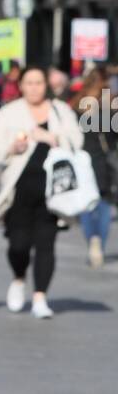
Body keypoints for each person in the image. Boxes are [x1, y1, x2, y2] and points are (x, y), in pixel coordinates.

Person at [0, 64, 83, 318]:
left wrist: (52, 138)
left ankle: (40, 297)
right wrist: (11, 148)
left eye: (39, 82)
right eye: (29, 83)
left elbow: (77, 140)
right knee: (19, 245)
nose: (34, 87)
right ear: (21, 86)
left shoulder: (61, 111)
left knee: (46, 244)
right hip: (18, 191)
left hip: (53, 192)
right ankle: (18, 278)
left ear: (46, 85)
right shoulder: (8, 113)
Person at [72, 68, 117, 268]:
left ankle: (92, 240)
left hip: (81, 160)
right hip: (104, 161)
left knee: (86, 205)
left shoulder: (76, 104)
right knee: (104, 203)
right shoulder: (109, 105)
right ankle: (100, 240)